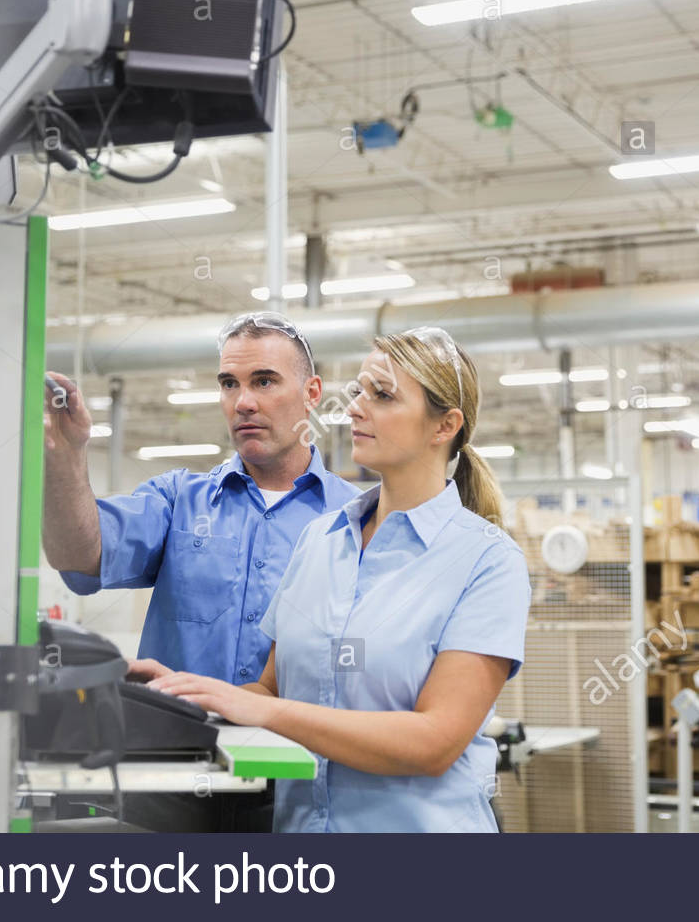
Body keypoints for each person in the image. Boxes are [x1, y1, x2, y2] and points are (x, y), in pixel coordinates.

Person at [145, 327, 532, 832]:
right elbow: (269, 690)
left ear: (444, 426)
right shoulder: (318, 542)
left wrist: (268, 713)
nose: (354, 409)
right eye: (357, 393)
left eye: (382, 395)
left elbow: (434, 742)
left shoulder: (487, 561)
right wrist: (182, 697)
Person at [41, 311, 359, 684]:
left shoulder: (355, 517)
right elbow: (78, 555)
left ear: (312, 393)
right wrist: (66, 456)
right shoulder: (177, 502)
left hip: (301, 741)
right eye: (229, 383)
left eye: (264, 381)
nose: (243, 402)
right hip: (178, 738)